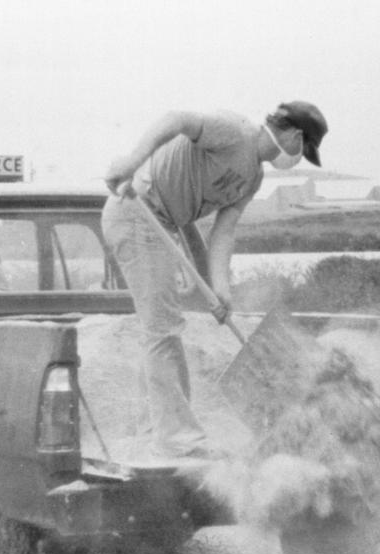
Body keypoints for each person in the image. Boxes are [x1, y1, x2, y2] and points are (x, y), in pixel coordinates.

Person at [102, 101, 328, 459]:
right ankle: (177, 438)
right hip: (137, 213)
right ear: (295, 135)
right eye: (305, 149)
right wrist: (131, 162)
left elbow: (225, 232)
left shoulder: (254, 177)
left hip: (164, 226)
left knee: (159, 326)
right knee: (163, 327)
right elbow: (174, 118)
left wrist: (220, 288)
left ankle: (152, 428)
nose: (298, 157)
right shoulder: (234, 131)